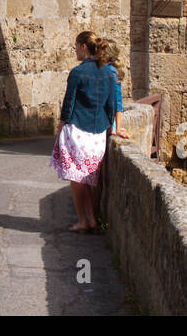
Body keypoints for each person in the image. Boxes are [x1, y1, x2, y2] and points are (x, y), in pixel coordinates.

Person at [50, 30, 117, 232]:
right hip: (98, 135)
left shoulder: (77, 73)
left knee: (77, 179)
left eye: (76, 47)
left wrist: (61, 126)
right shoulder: (109, 72)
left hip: (78, 130)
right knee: (88, 178)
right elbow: (112, 105)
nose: (75, 50)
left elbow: (69, 103)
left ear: (84, 47)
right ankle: (92, 218)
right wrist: (114, 128)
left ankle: (83, 220)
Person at [95, 37, 130, 140]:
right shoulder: (108, 71)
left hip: (102, 123)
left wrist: (118, 129)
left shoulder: (109, 72)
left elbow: (117, 103)